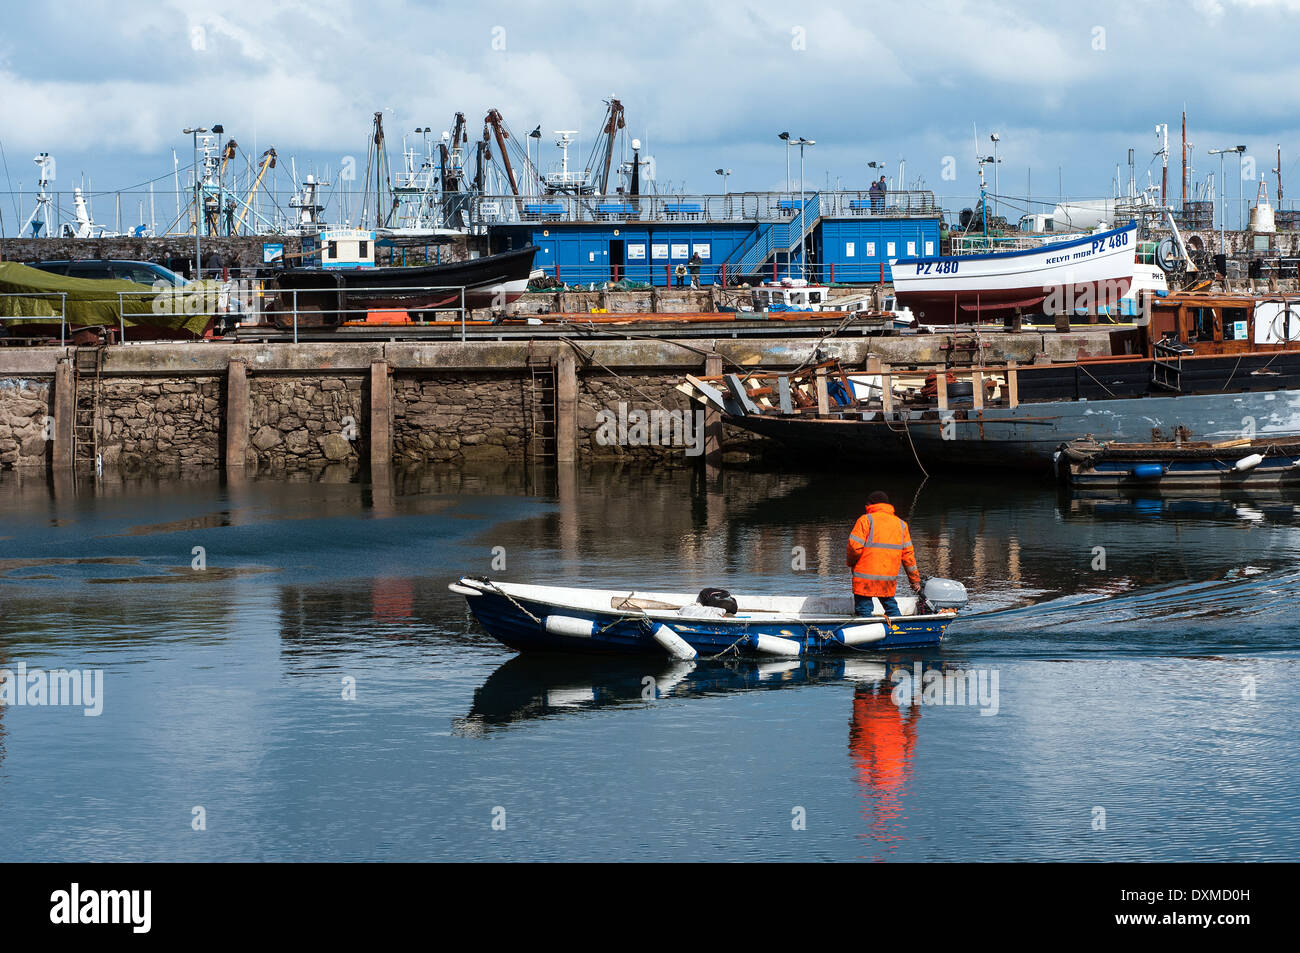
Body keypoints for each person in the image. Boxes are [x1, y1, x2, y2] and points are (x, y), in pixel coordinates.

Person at [846, 490, 923, 618]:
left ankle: (867, 630)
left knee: (864, 611)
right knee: (891, 607)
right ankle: (899, 627)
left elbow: (854, 548)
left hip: (864, 578)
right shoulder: (901, 525)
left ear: (870, 505)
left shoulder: (865, 520)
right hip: (888, 579)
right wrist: (914, 580)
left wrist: (851, 563)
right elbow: (908, 557)